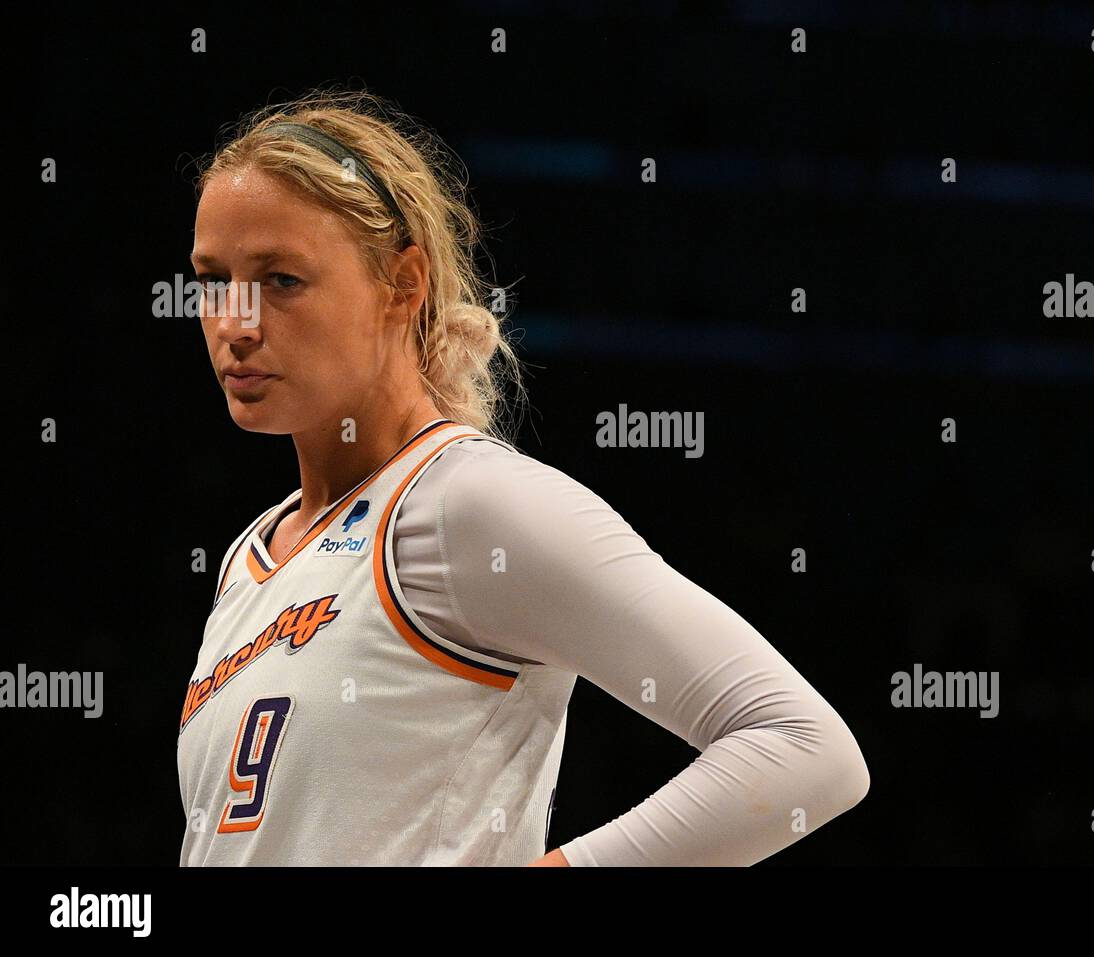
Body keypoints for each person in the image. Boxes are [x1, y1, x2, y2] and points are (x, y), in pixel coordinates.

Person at [177, 88, 870, 866]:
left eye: (280, 280)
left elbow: (806, 750)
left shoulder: (466, 504)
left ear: (403, 285)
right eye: (211, 281)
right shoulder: (247, 560)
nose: (235, 322)